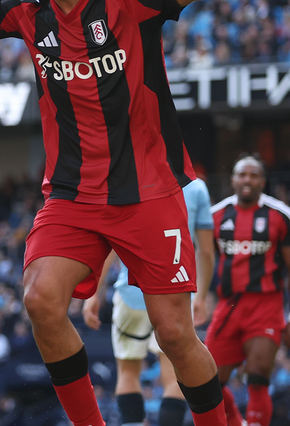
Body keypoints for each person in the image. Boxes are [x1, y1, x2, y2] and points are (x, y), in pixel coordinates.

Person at [0, 0, 279, 426]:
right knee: (40, 299)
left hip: (149, 192)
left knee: (174, 334)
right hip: (73, 196)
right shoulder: (26, 10)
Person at [83, 178, 216, 426]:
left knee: (127, 371)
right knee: (173, 375)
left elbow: (112, 244)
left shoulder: (131, 178)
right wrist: (201, 297)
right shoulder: (196, 187)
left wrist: (94, 293)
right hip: (175, 293)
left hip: (131, 291)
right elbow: (206, 252)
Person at [207, 155, 290, 426]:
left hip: (266, 305)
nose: (247, 180)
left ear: (263, 181)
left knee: (258, 374)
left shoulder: (282, 216)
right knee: (206, 381)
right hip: (228, 306)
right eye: (242, 174)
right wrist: (199, 298)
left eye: (253, 175)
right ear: (233, 180)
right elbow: (203, 259)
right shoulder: (215, 215)